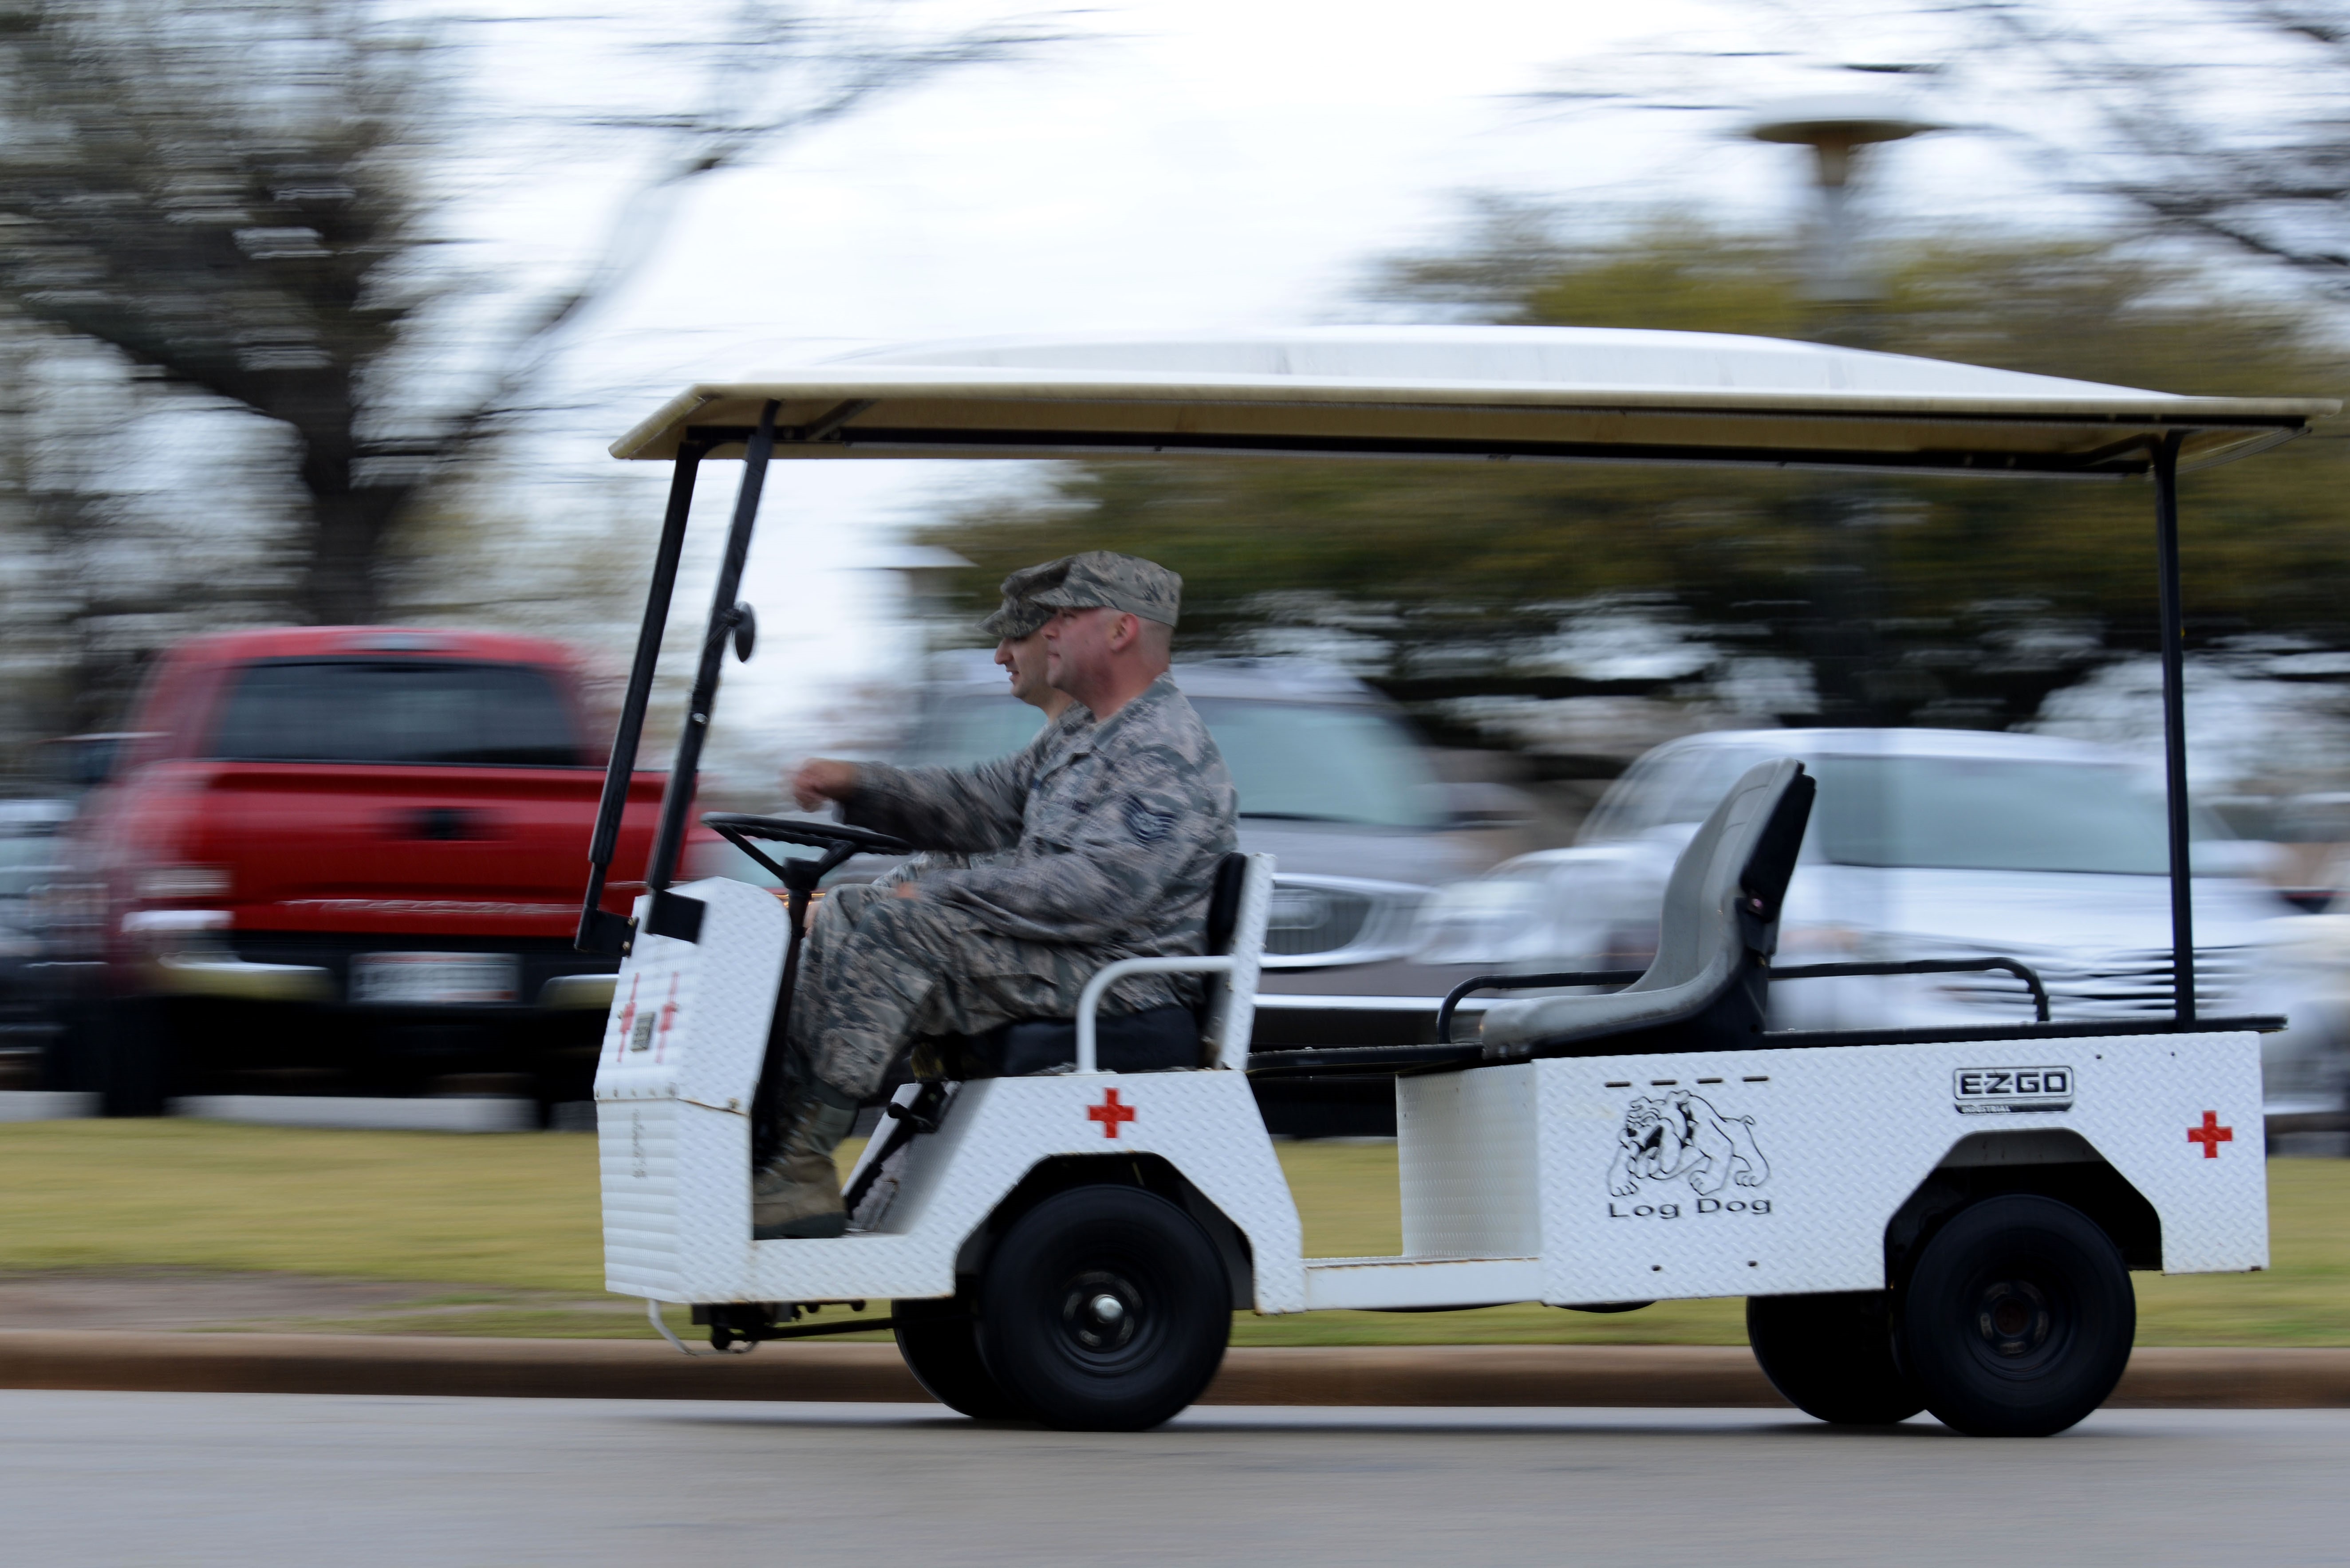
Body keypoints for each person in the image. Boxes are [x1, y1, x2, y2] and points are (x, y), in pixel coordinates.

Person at [753, 551, 1238, 1239]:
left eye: (1066, 618)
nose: (1047, 634)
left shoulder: (1165, 750)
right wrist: (858, 784)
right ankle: (773, 1148)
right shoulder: (1086, 733)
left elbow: (1099, 892)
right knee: (854, 911)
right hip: (1063, 957)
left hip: (1120, 979)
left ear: (1121, 631)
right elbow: (978, 801)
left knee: (898, 927)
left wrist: (942, 892)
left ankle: (797, 1168)